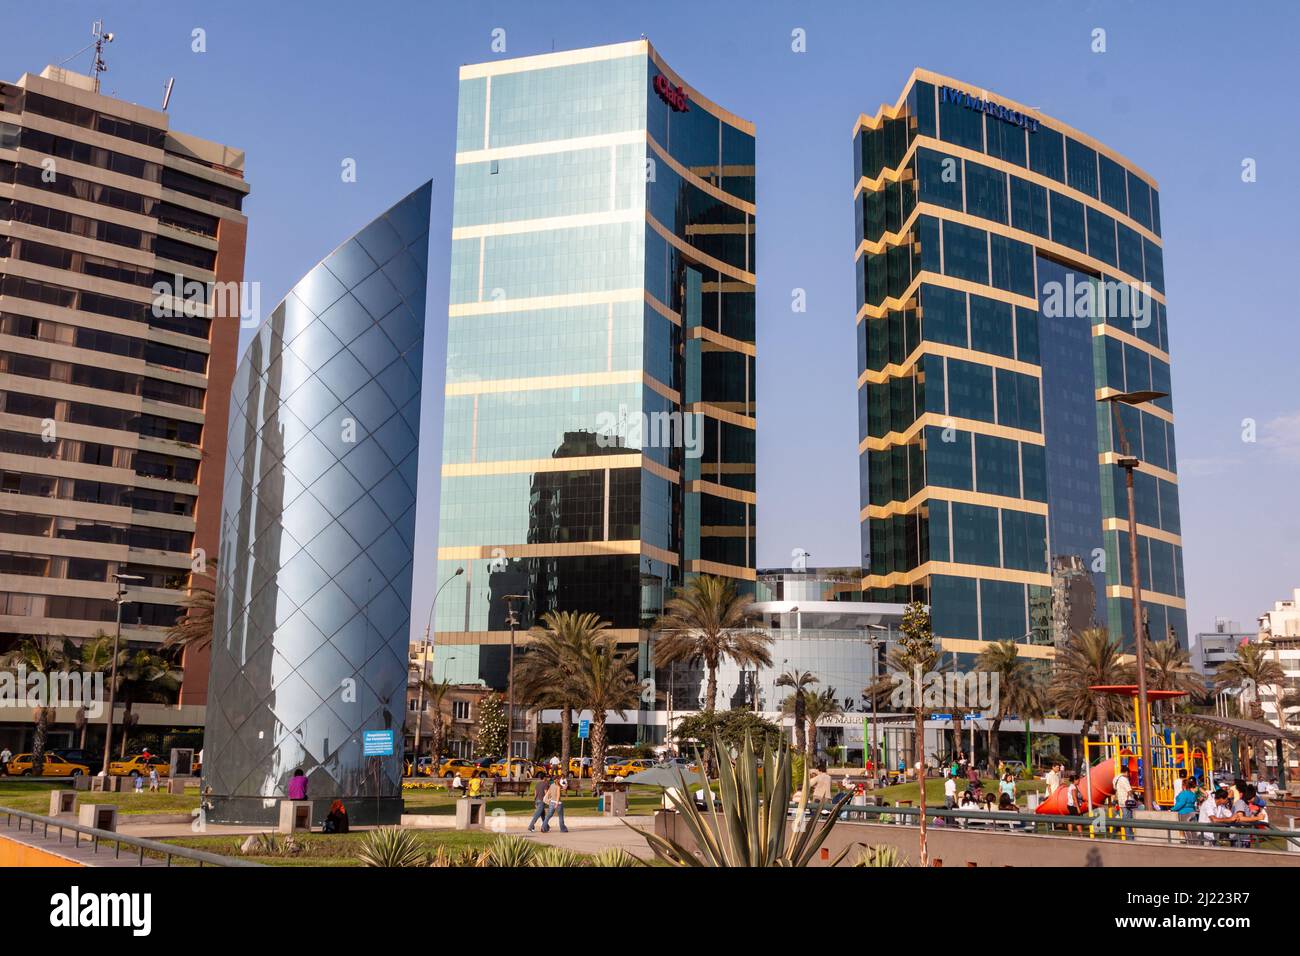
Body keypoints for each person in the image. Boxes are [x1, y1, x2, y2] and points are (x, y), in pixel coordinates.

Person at [1172, 776, 1199, 844]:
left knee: (1186, 830)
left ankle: (1190, 844)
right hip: (1192, 812)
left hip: (1184, 813)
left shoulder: (1183, 793)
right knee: (1193, 830)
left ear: (1183, 786)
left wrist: (1173, 809)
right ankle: (1196, 843)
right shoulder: (1192, 794)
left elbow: (1181, 803)